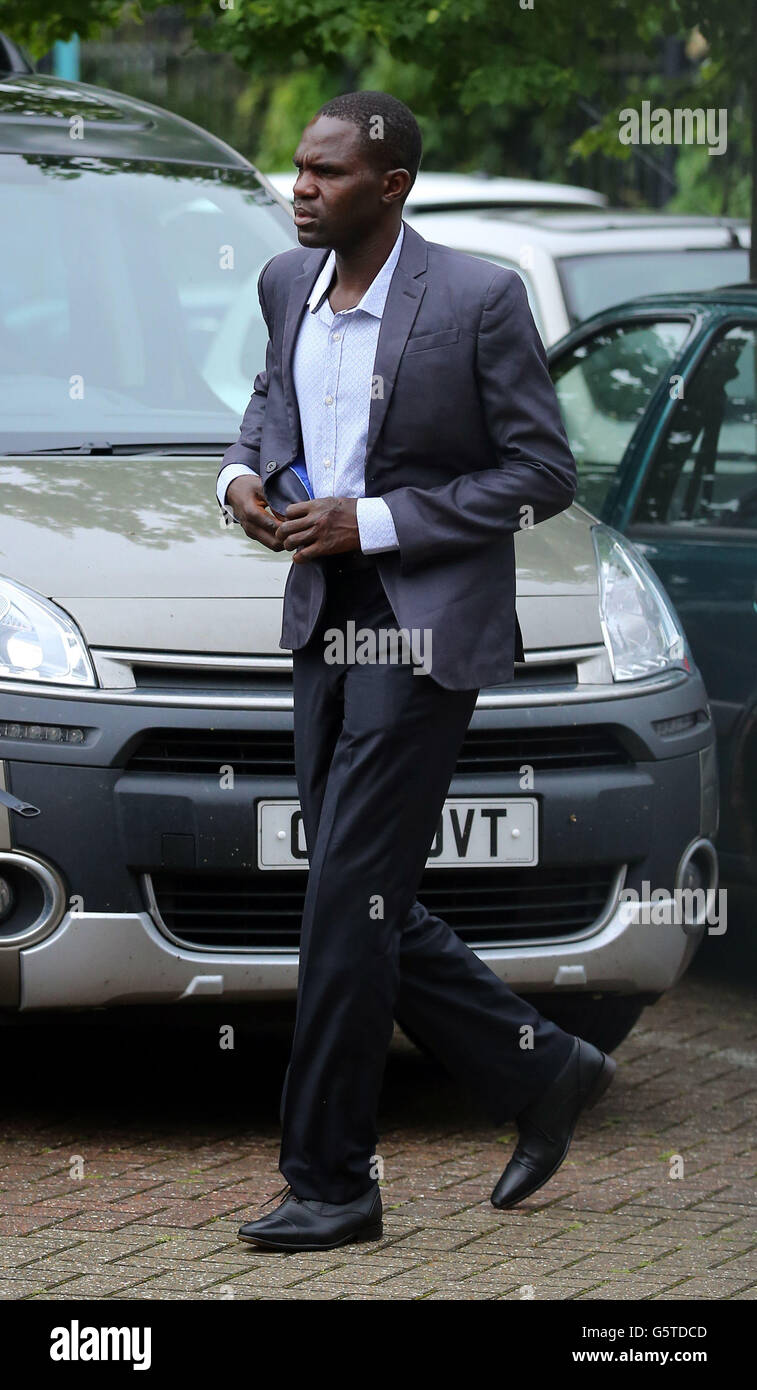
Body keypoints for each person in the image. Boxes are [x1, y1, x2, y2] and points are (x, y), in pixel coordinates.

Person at [215, 91, 615, 1253]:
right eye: (297, 169)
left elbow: (542, 472)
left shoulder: (479, 299)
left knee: (345, 900)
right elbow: (266, 410)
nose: (301, 188)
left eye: (326, 173)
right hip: (320, 620)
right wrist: (243, 483)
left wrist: (375, 522)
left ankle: (333, 1181)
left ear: (390, 187)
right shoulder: (287, 285)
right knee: (358, 898)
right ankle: (542, 1069)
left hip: (419, 626)